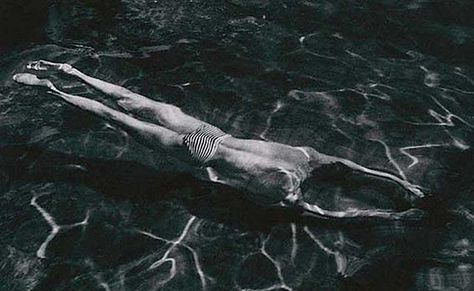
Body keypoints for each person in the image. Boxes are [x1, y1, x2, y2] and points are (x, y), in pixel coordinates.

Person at [13, 60, 426, 221]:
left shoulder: (310, 156)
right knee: (114, 117)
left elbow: (352, 169)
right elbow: (330, 215)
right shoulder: (286, 195)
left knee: (133, 101)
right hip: (195, 151)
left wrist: (396, 182)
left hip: (208, 133)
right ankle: (51, 89)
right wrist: (386, 215)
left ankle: (69, 72)